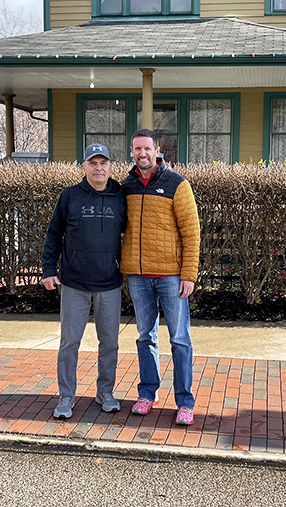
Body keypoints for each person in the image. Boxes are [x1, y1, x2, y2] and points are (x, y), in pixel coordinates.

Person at [121, 128, 200, 425]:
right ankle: (148, 393)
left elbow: (191, 233)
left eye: (146, 148)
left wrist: (188, 274)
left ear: (157, 150)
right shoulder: (125, 186)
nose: (142, 153)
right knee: (145, 337)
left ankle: (184, 401)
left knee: (179, 339)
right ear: (132, 151)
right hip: (138, 277)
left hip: (171, 276)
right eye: (136, 148)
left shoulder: (177, 185)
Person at [41, 143, 126, 419]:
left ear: (111, 167)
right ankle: (66, 396)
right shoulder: (70, 196)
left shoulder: (120, 197)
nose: (98, 168)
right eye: (93, 163)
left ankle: (105, 392)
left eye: (103, 163)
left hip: (109, 283)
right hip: (75, 283)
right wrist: (47, 269)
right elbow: (54, 234)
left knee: (110, 342)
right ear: (84, 167)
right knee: (69, 343)